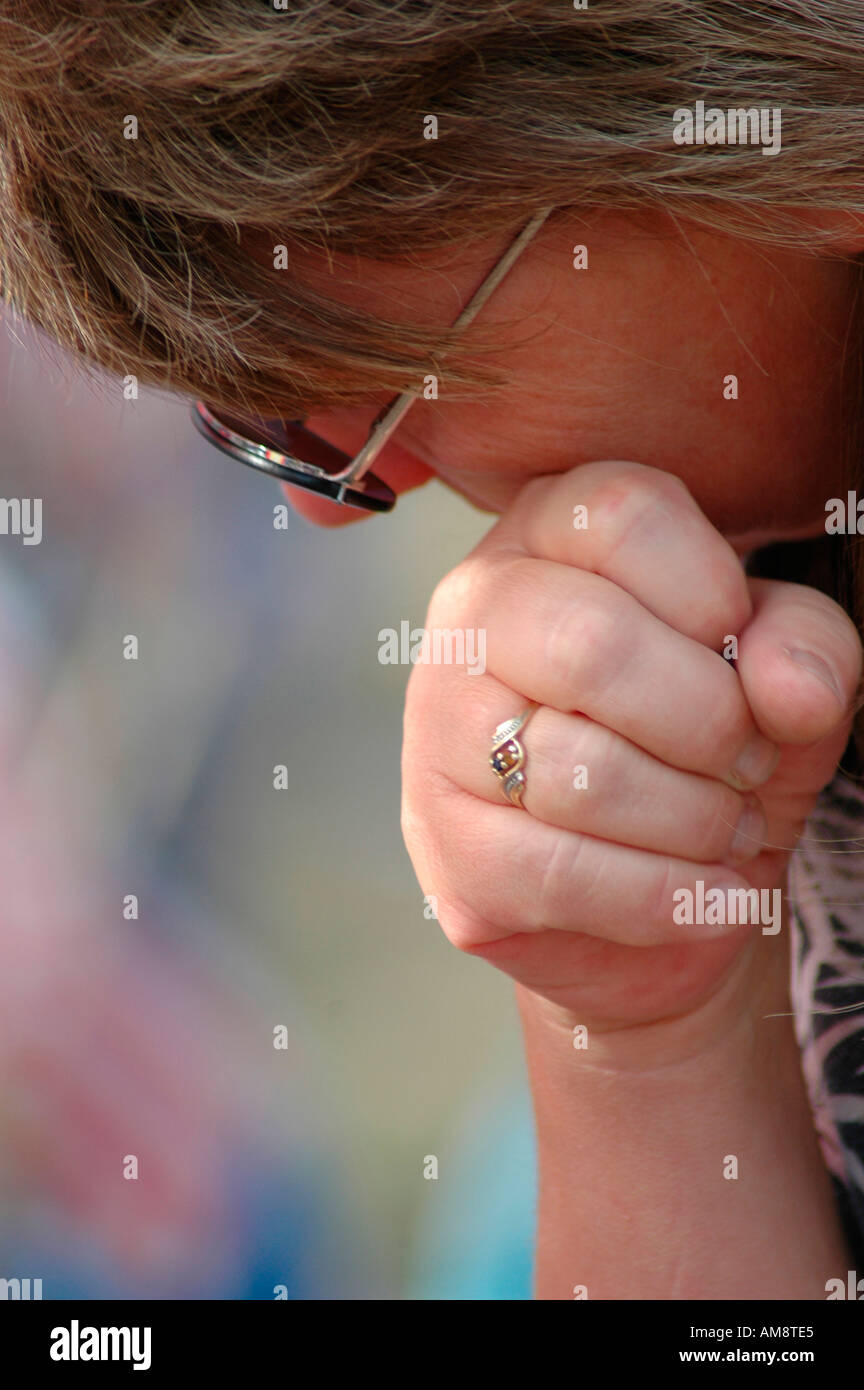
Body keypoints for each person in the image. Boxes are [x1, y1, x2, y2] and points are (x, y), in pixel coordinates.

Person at [2, 0, 864, 1299]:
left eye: (369, 377)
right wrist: (640, 1026)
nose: (328, 496)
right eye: (254, 415)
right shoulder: (739, 596)